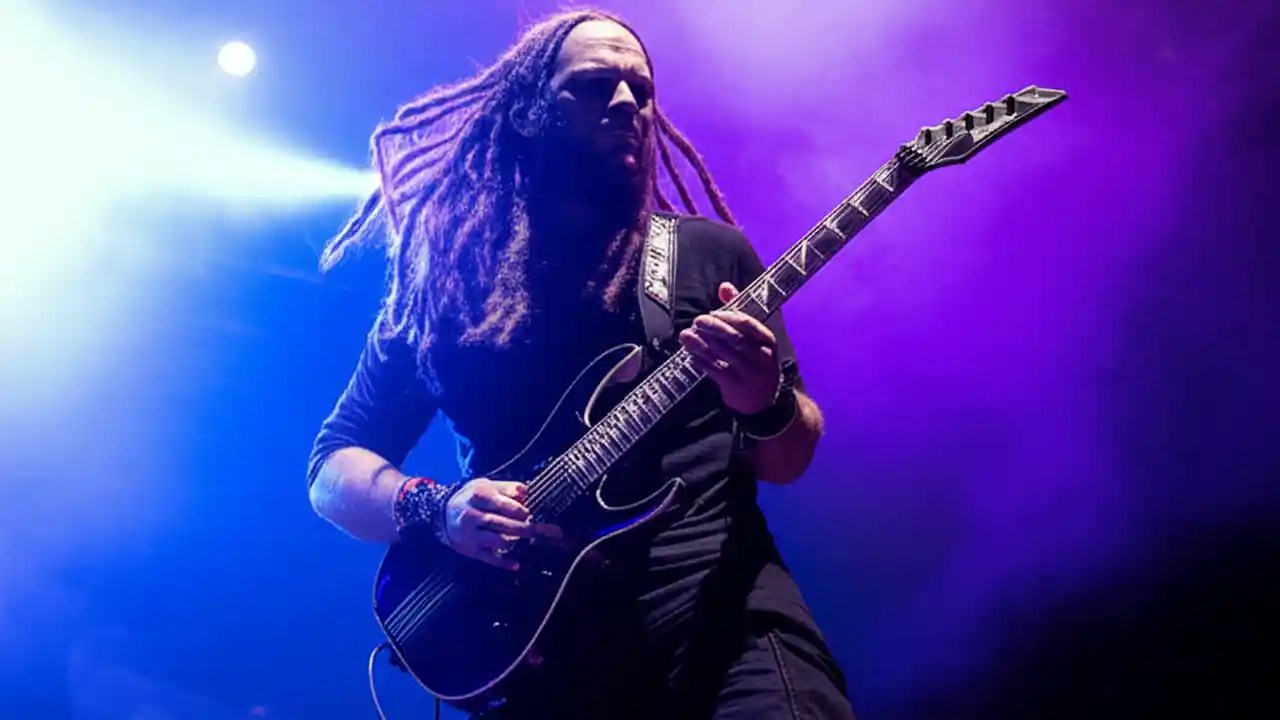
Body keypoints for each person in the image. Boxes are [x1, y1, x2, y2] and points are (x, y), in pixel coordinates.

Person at [307, 8, 855, 719]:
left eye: (642, 88)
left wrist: (766, 400)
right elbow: (332, 468)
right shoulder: (450, 284)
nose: (629, 104)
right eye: (596, 85)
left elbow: (785, 460)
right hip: (540, 652)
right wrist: (436, 509)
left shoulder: (707, 256)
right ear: (531, 111)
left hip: (723, 618)